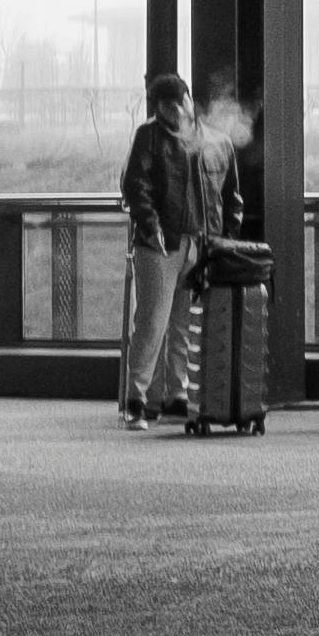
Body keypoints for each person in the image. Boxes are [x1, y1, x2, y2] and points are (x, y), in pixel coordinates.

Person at [113, 69, 208, 427]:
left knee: (182, 321)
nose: (181, 109)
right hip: (159, 244)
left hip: (190, 241)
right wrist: (154, 231)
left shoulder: (192, 138)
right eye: (174, 104)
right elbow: (137, 188)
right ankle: (136, 399)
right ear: (162, 107)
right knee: (153, 321)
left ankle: (175, 393)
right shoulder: (148, 137)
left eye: (183, 101)